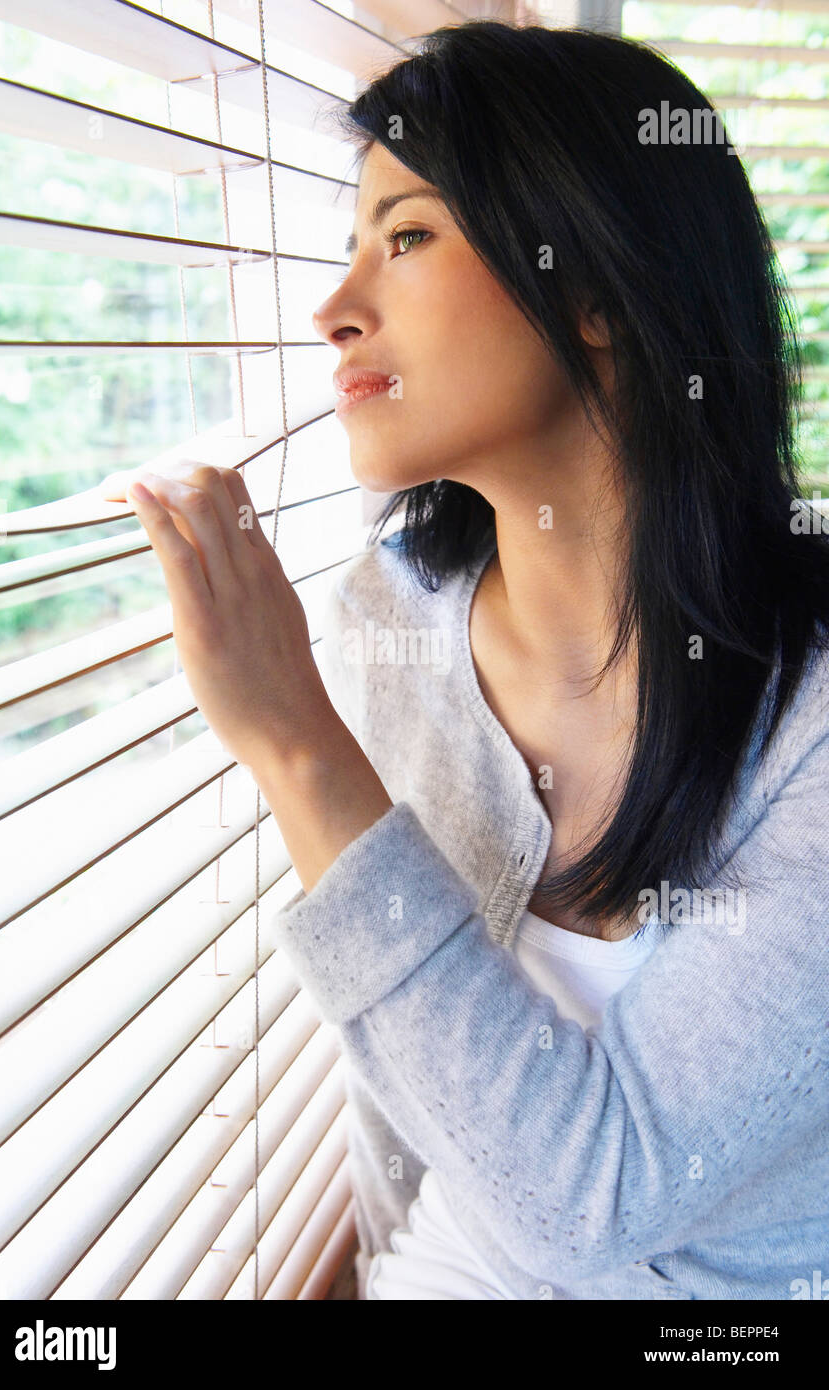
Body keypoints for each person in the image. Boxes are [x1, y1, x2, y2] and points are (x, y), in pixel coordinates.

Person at [118, 21, 829, 1299]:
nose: (336, 311)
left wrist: (295, 746)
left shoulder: (810, 715)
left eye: (406, 236)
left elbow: (596, 1193)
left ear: (598, 290)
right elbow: (412, 1081)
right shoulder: (391, 623)